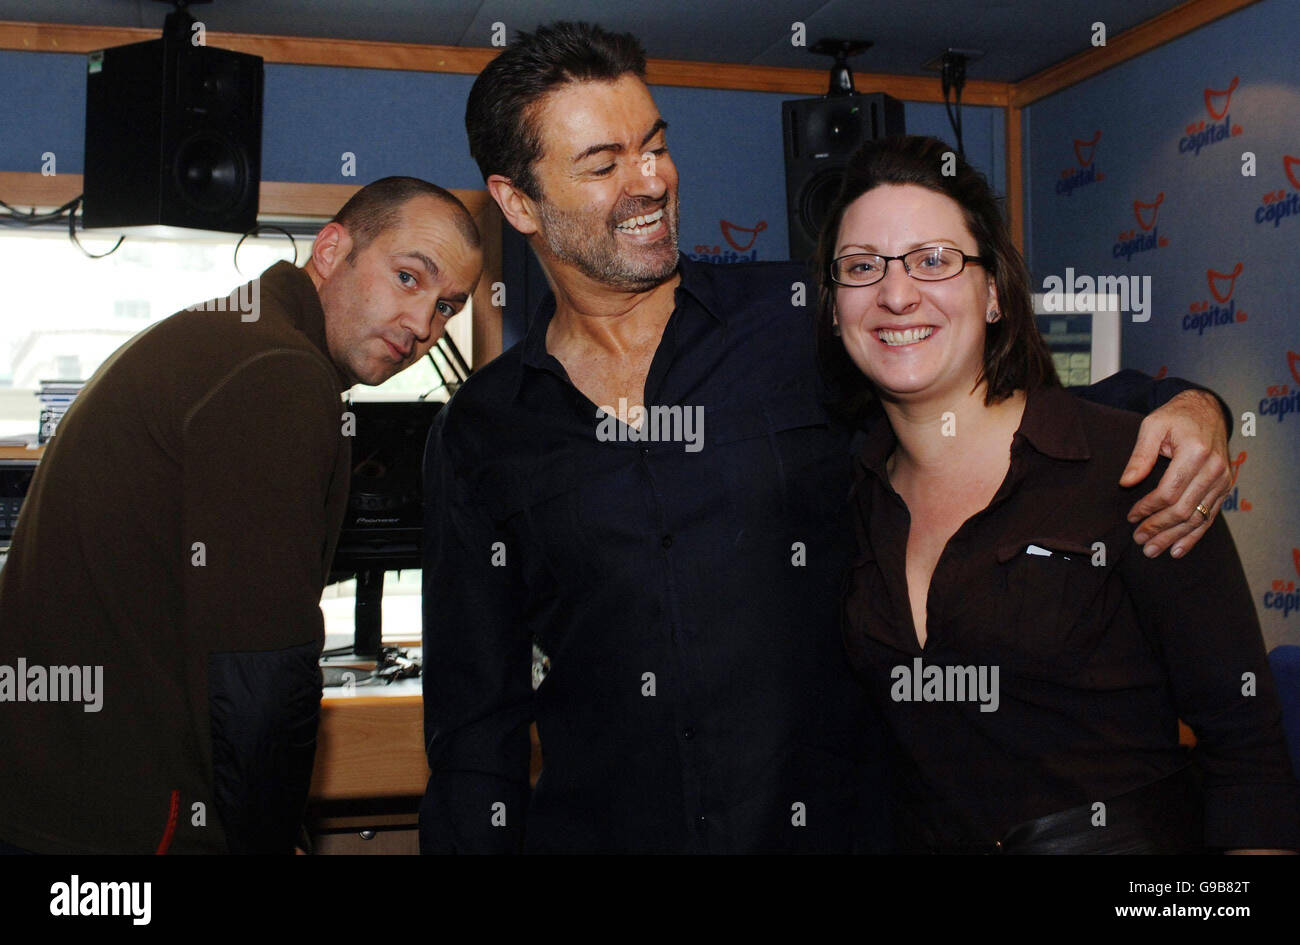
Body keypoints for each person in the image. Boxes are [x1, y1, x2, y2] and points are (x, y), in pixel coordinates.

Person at [419, 21, 1234, 854]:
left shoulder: (795, 321)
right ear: (517, 200)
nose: (651, 179)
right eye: (603, 164)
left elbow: (998, 402)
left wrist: (1183, 400)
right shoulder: (482, 432)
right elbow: (472, 726)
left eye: (654, 145)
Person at [823, 135, 1300, 853]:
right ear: (833, 309)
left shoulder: (1131, 466)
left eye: (933, 260)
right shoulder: (851, 496)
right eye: (862, 267)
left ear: (991, 294)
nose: (896, 293)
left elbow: (1249, 757)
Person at [0, 177, 483, 854]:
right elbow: (260, 677)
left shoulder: (237, 334)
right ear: (332, 246)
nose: (422, 326)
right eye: (407, 277)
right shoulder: (279, 371)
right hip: (131, 826)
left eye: (447, 307)